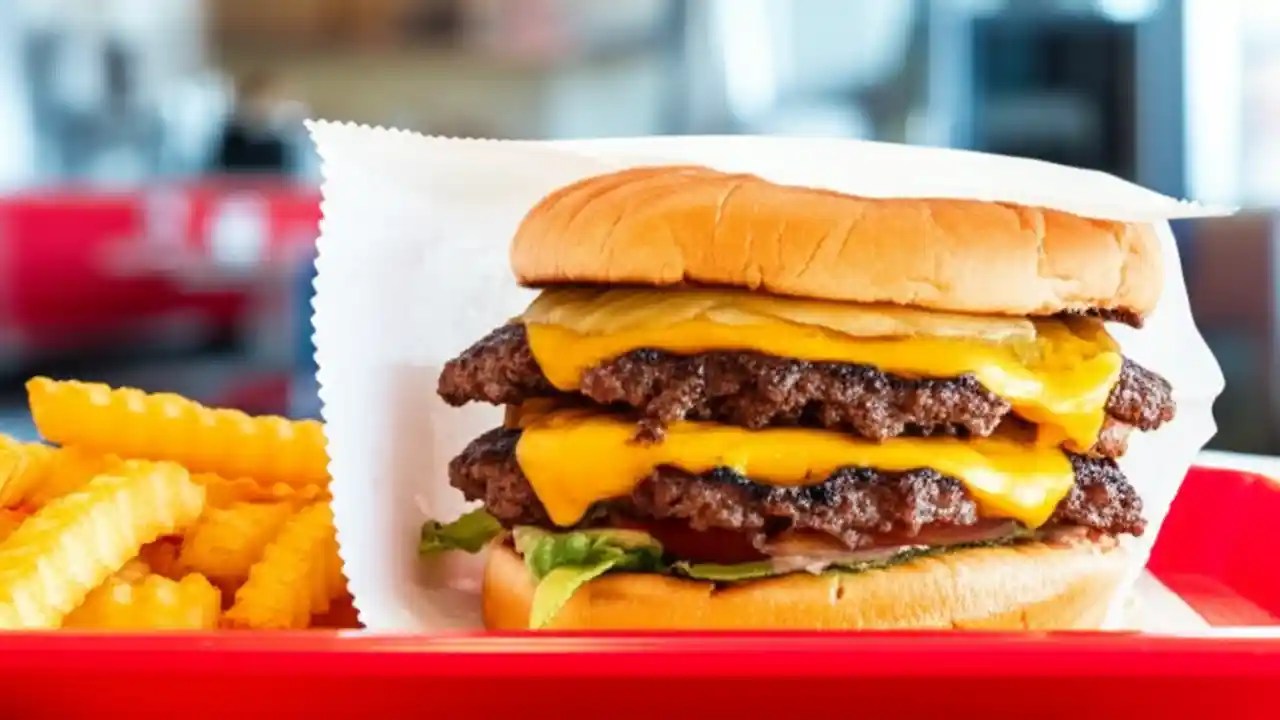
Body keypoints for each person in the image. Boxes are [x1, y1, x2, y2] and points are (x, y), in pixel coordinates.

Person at [211, 71, 298, 175]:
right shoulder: (229, 138)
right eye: (253, 100)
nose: (259, 106)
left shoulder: (282, 141)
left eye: (264, 100)